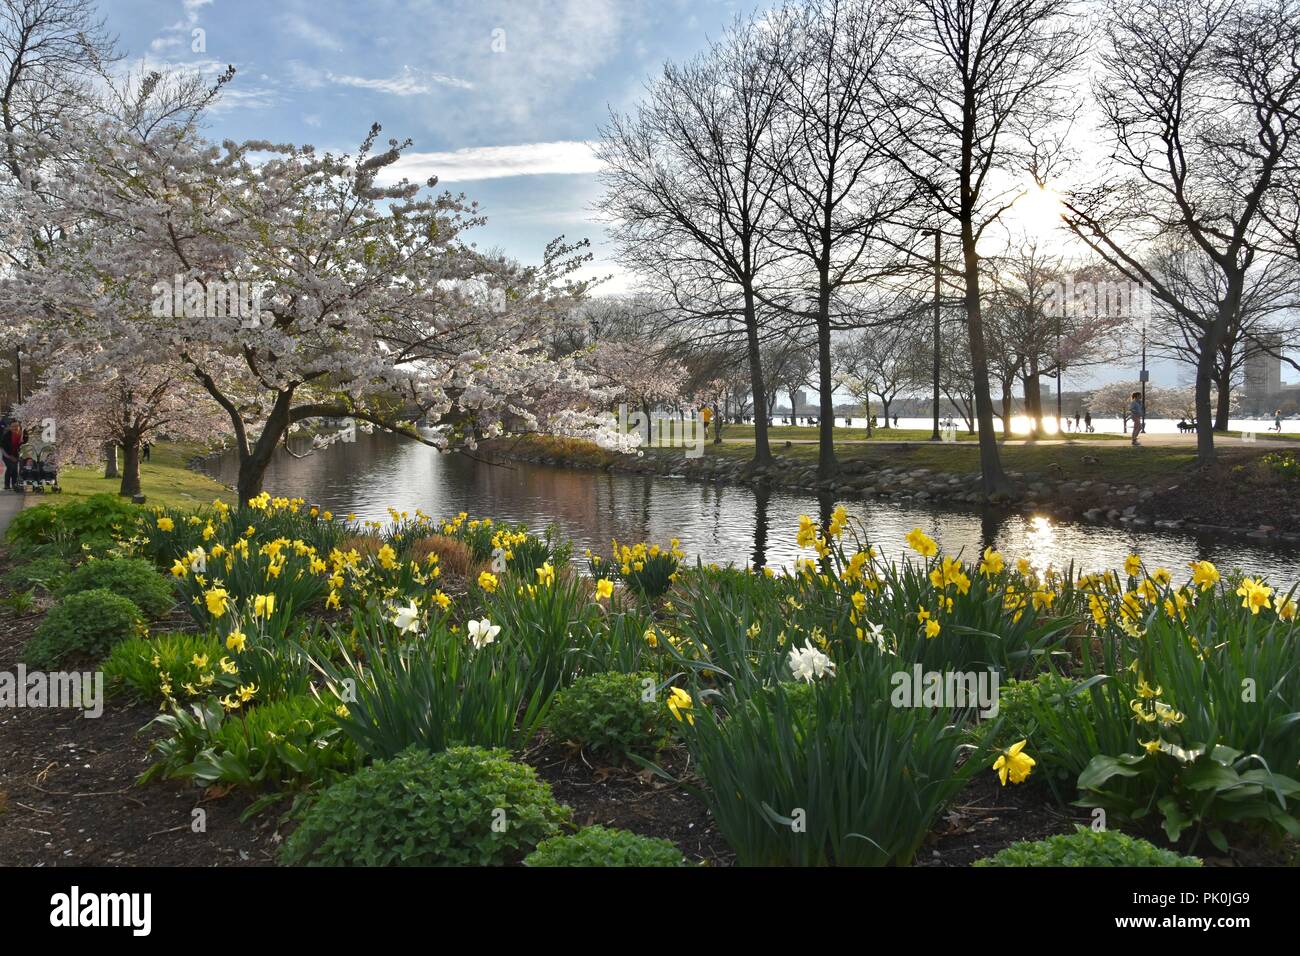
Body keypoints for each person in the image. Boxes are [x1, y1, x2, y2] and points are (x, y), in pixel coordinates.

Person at [1, 419, 25, 491]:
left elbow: (26, 446)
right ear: (10, 427)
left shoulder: (23, 434)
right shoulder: (6, 435)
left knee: (15, 469)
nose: (14, 428)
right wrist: (9, 457)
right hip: (7, 455)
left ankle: (15, 484)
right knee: (11, 467)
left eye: (16, 426)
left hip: (17, 454)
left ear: (19, 426)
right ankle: (7, 485)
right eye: (13, 426)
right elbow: (2, 447)